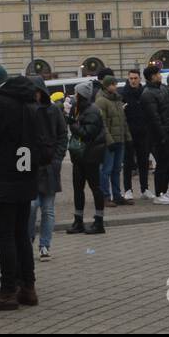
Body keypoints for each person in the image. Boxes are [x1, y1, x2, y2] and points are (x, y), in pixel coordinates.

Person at [0, 65, 39, 311]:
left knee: (5, 237)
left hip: (4, 178)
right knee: (22, 234)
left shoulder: (0, 104)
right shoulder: (29, 101)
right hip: (25, 176)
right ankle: (28, 288)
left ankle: (7, 291)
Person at [64, 79, 108, 236]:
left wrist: (72, 124)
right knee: (78, 189)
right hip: (80, 156)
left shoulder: (92, 111)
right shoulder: (79, 109)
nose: (74, 96)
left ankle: (99, 221)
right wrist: (70, 119)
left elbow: (86, 133)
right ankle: (78, 220)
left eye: (76, 93)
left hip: (90, 156)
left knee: (95, 188)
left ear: (81, 95)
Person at [30, 87, 67, 257]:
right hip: (32, 166)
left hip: (50, 165)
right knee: (31, 206)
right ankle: (28, 238)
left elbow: (62, 134)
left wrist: (58, 158)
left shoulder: (54, 110)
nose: (36, 95)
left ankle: (45, 245)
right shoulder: (27, 109)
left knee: (48, 209)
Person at [143, 65, 169, 204]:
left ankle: (163, 191)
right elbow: (154, 118)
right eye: (158, 74)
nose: (160, 75)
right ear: (152, 76)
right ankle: (158, 194)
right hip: (159, 135)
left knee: (168, 163)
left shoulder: (162, 88)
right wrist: (162, 135)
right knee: (162, 164)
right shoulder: (147, 94)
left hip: (168, 130)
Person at [95, 73, 129, 205]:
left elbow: (122, 120)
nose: (115, 86)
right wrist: (109, 141)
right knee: (106, 169)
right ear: (107, 85)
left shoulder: (117, 99)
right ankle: (104, 196)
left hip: (119, 139)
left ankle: (117, 195)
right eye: (113, 84)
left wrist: (127, 137)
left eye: (115, 84)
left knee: (116, 169)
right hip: (110, 142)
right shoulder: (101, 101)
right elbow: (102, 123)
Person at [121, 68, 152, 200]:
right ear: (128, 79)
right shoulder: (123, 93)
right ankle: (128, 189)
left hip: (143, 132)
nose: (133, 81)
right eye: (131, 78)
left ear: (140, 79)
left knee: (143, 161)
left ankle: (144, 189)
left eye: (135, 78)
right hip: (128, 133)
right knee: (128, 162)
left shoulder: (145, 92)